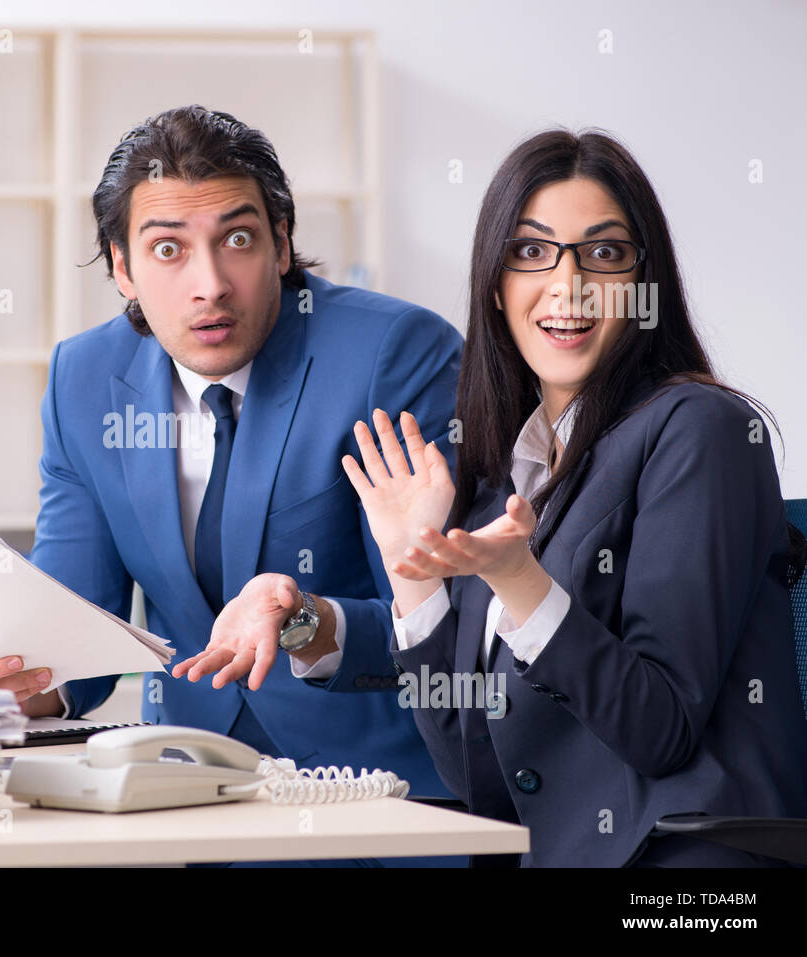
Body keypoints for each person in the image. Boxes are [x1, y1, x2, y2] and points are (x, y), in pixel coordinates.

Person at [0, 105, 464, 826]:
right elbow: (74, 621)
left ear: (281, 243)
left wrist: (304, 620)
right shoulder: (84, 378)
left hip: (380, 797)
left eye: (236, 239)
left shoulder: (392, 353)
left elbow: (440, 624)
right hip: (178, 793)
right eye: (168, 249)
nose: (209, 283)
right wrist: (19, 679)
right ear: (122, 268)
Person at [326, 128, 807, 867]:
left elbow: (663, 727)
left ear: (646, 288)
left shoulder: (703, 431)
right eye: (531, 252)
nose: (567, 284)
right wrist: (412, 576)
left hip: (692, 873)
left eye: (604, 253)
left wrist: (521, 581)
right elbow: (474, 773)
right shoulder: (503, 480)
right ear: (496, 282)